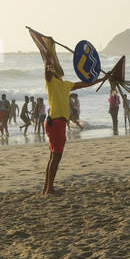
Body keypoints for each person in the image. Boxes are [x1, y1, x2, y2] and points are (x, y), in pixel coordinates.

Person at [42, 65, 87, 196]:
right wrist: (48, 64)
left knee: (53, 157)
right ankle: (49, 189)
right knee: (56, 156)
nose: (59, 70)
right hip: (55, 122)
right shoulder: (51, 82)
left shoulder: (66, 84)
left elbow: (83, 84)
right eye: (57, 68)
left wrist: (100, 79)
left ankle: (47, 188)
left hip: (58, 123)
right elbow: (47, 72)